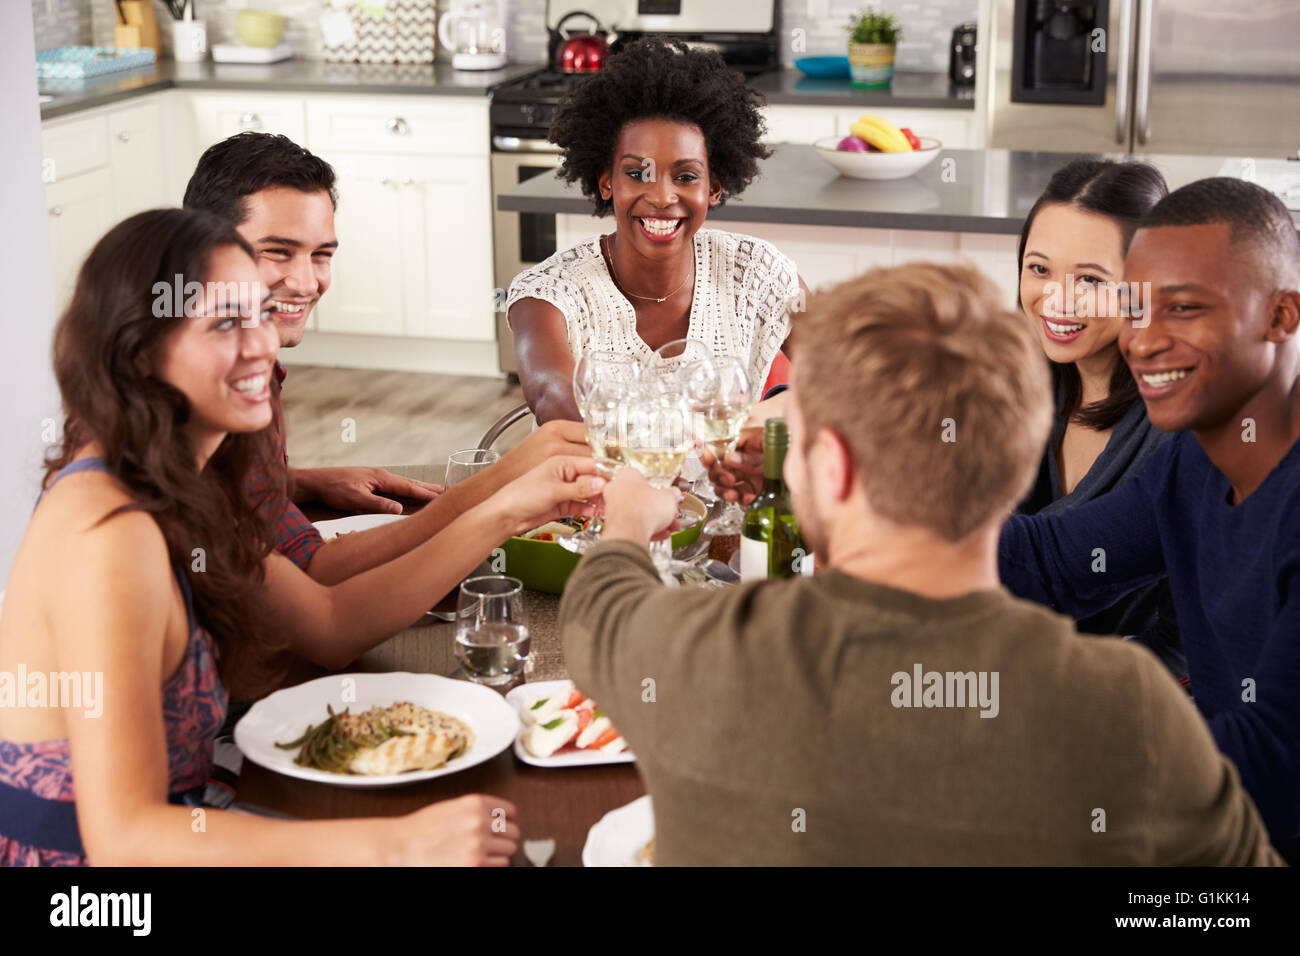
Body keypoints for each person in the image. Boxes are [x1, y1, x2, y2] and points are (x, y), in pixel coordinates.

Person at [557, 262, 1279, 865]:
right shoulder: (1133, 709)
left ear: (833, 468)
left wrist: (626, 518)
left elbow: (597, 610)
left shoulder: (696, 651)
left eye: (797, 441)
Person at [0, 209, 604, 865]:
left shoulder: (175, 485)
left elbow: (329, 619)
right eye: (224, 322)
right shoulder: (107, 536)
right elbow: (126, 838)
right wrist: (396, 846)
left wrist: (508, 508)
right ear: (139, 350)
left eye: (259, 314)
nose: (261, 343)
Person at [999, 178, 1300, 863]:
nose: (1145, 341)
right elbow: (1051, 562)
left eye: (1186, 308)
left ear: (1281, 317)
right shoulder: (1195, 459)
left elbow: (1275, 763)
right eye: (1136, 307)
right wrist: (863, 509)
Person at [184, 132, 591, 582]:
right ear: (204, 248)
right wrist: (503, 482)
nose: (305, 282)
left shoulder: (243, 358)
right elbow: (314, 581)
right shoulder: (201, 382)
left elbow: (209, 487)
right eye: (277, 252)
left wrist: (291, 482)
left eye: (321, 255)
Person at [507, 37, 808, 423]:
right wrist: (711, 434)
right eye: (637, 174)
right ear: (606, 182)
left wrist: (763, 417)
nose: (663, 197)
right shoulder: (548, 295)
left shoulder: (758, 272)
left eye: (685, 176)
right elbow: (557, 403)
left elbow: (838, 380)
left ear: (713, 188)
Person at [1013, 158, 1184, 679]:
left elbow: (1182, 645)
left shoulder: (1181, 426)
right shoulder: (1014, 374)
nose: (1056, 300)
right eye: (1039, 269)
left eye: (1090, 278)